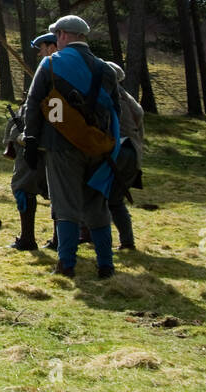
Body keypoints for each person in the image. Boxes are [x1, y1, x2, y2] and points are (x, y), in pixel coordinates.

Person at [23, 15, 121, 279]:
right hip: (98, 148)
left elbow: (33, 104)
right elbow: (116, 113)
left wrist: (30, 140)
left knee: (65, 206)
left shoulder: (51, 64)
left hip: (61, 146)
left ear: (64, 35)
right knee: (97, 206)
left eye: (56, 35)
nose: (56, 39)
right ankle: (105, 265)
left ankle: (66, 264)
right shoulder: (107, 70)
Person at [3, 33, 57, 251]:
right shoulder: (52, 74)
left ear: (53, 47)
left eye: (42, 47)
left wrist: (29, 137)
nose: (39, 52)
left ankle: (28, 239)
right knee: (55, 193)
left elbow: (49, 114)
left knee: (23, 188)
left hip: (36, 145)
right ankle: (58, 240)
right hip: (43, 144)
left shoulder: (54, 75)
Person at [105, 61, 144, 250]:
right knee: (114, 200)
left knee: (98, 196)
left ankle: (91, 235)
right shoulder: (130, 101)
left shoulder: (112, 98)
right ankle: (127, 241)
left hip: (117, 152)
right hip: (132, 154)